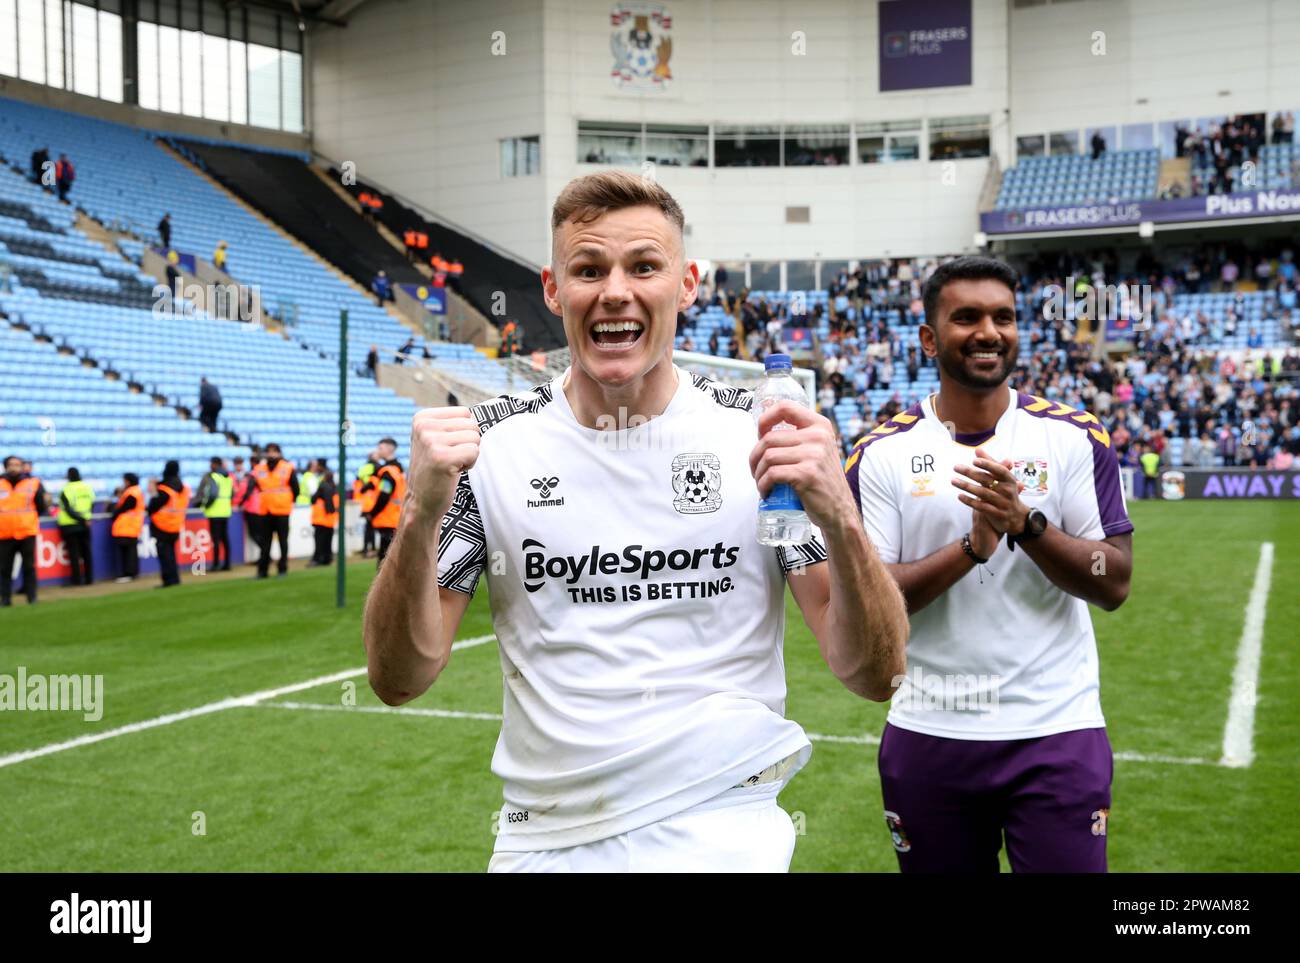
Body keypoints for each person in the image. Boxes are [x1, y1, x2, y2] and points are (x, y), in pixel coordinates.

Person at [362, 170, 908, 872]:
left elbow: (875, 674)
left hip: (721, 830)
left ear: (686, 284)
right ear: (554, 289)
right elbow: (397, 678)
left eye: (644, 266)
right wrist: (418, 513)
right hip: (545, 841)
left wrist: (841, 519)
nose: (614, 290)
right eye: (588, 269)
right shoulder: (488, 447)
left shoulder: (758, 438)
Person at [846, 256, 1133, 873]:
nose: (988, 331)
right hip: (930, 733)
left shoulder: (1073, 436)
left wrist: (1027, 526)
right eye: (966, 317)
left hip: (1057, 730)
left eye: (1003, 317)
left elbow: (1115, 580)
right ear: (929, 338)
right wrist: (970, 549)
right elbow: (874, 602)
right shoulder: (881, 454)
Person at [0, 455, 47, 606]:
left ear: (22, 467)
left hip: (27, 531)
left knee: (29, 567)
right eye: (11, 464)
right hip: (4, 533)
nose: (14, 467)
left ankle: (32, 597)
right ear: (5, 466)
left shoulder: (33, 483)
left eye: (17, 464)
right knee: (4, 568)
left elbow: (41, 506)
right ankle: (5, 599)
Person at [251, 443, 297, 578]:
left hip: (282, 510)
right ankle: (262, 570)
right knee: (265, 542)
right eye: (269, 452)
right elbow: (257, 485)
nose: (271, 454)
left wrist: (287, 501)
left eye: (274, 452)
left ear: (279, 453)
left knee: (283, 541)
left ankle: (282, 569)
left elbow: (295, 488)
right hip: (265, 511)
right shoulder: (260, 468)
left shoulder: (287, 467)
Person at [146, 461, 190, 589]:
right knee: (171, 554)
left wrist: (153, 491)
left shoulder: (164, 490)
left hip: (162, 525)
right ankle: (174, 578)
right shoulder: (183, 487)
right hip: (176, 524)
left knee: (165, 555)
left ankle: (168, 580)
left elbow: (153, 506)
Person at [366, 437, 404, 565]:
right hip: (396, 518)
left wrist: (372, 513)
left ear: (389, 449)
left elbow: (384, 495)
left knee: (384, 560)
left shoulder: (388, 473)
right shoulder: (398, 469)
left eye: (380, 448)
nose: (378, 451)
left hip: (388, 519)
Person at [56, 467, 95, 586]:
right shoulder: (87, 487)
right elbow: (92, 504)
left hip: (70, 525)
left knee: (74, 554)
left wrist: (80, 519)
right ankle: (89, 579)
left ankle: (77, 580)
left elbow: (68, 509)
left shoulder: (66, 489)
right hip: (85, 524)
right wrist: (85, 518)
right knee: (87, 552)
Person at [196, 456, 233, 571]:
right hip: (225, 511)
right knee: (225, 539)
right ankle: (227, 563)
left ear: (215, 464)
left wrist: (206, 505)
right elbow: (232, 494)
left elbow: (212, 494)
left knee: (216, 540)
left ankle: (216, 563)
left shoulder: (214, 477)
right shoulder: (228, 478)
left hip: (215, 512)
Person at [109, 473, 145, 583]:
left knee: (126, 552)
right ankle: (132, 573)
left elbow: (124, 508)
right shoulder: (136, 491)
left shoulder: (131, 493)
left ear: (128, 481)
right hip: (132, 526)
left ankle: (127, 573)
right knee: (131, 551)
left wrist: (114, 514)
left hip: (126, 526)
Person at [236, 448, 266, 567]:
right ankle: (265, 554)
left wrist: (240, 503)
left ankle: (265, 554)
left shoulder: (253, 474)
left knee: (255, 533)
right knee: (260, 533)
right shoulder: (265, 474)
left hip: (252, 508)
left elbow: (248, 491)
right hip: (262, 506)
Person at [309, 469, 339, 567]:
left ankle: (317, 559)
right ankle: (327, 558)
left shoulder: (323, 487)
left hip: (321, 519)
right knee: (328, 541)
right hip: (330, 520)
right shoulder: (335, 488)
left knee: (319, 541)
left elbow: (313, 499)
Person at [355, 453, 379, 557]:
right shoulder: (377, 468)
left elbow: (359, 484)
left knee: (368, 527)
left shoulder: (362, 468)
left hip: (366, 501)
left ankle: (366, 548)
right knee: (371, 528)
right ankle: (371, 549)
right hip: (373, 501)